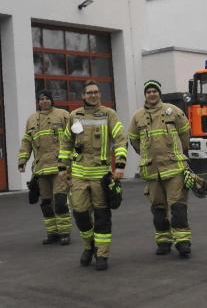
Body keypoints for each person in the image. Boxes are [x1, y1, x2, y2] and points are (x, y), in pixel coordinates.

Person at [58, 80, 128, 271]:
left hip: (101, 175)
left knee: (102, 215)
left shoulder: (108, 114)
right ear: (83, 96)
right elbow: (65, 142)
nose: (93, 95)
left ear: (100, 95)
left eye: (96, 92)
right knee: (80, 214)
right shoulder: (75, 116)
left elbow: (121, 139)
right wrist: (62, 167)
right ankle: (89, 246)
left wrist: (120, 165)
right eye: (89, 93)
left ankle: (102, 253)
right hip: (79, 174)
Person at [128, 80, 193, 257]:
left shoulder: (173, 111)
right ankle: (163, 241)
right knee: (158, 209)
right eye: (148, 91)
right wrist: (145, 156)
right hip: (152, 171)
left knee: (178, 207)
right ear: (145, 94)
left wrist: (181, 152)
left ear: (159, 93)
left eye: (154, 91)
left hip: (174, 168)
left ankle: (183, 242)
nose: (152, 94)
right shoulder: (137, 117)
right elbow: (134, 141)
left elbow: (185, 133)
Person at [18, 90, 72, 245]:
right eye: (41, 99)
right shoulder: (32, 119)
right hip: (41, 169)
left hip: (60, 167)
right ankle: (52, 233)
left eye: (47, 98)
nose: (44, 101)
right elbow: (26, 142)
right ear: (38, 102)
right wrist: (22, 161)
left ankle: (64, 233)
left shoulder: (63, 115)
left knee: (60, 201)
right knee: (46, 204)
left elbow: (74, 136)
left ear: (52, 100)